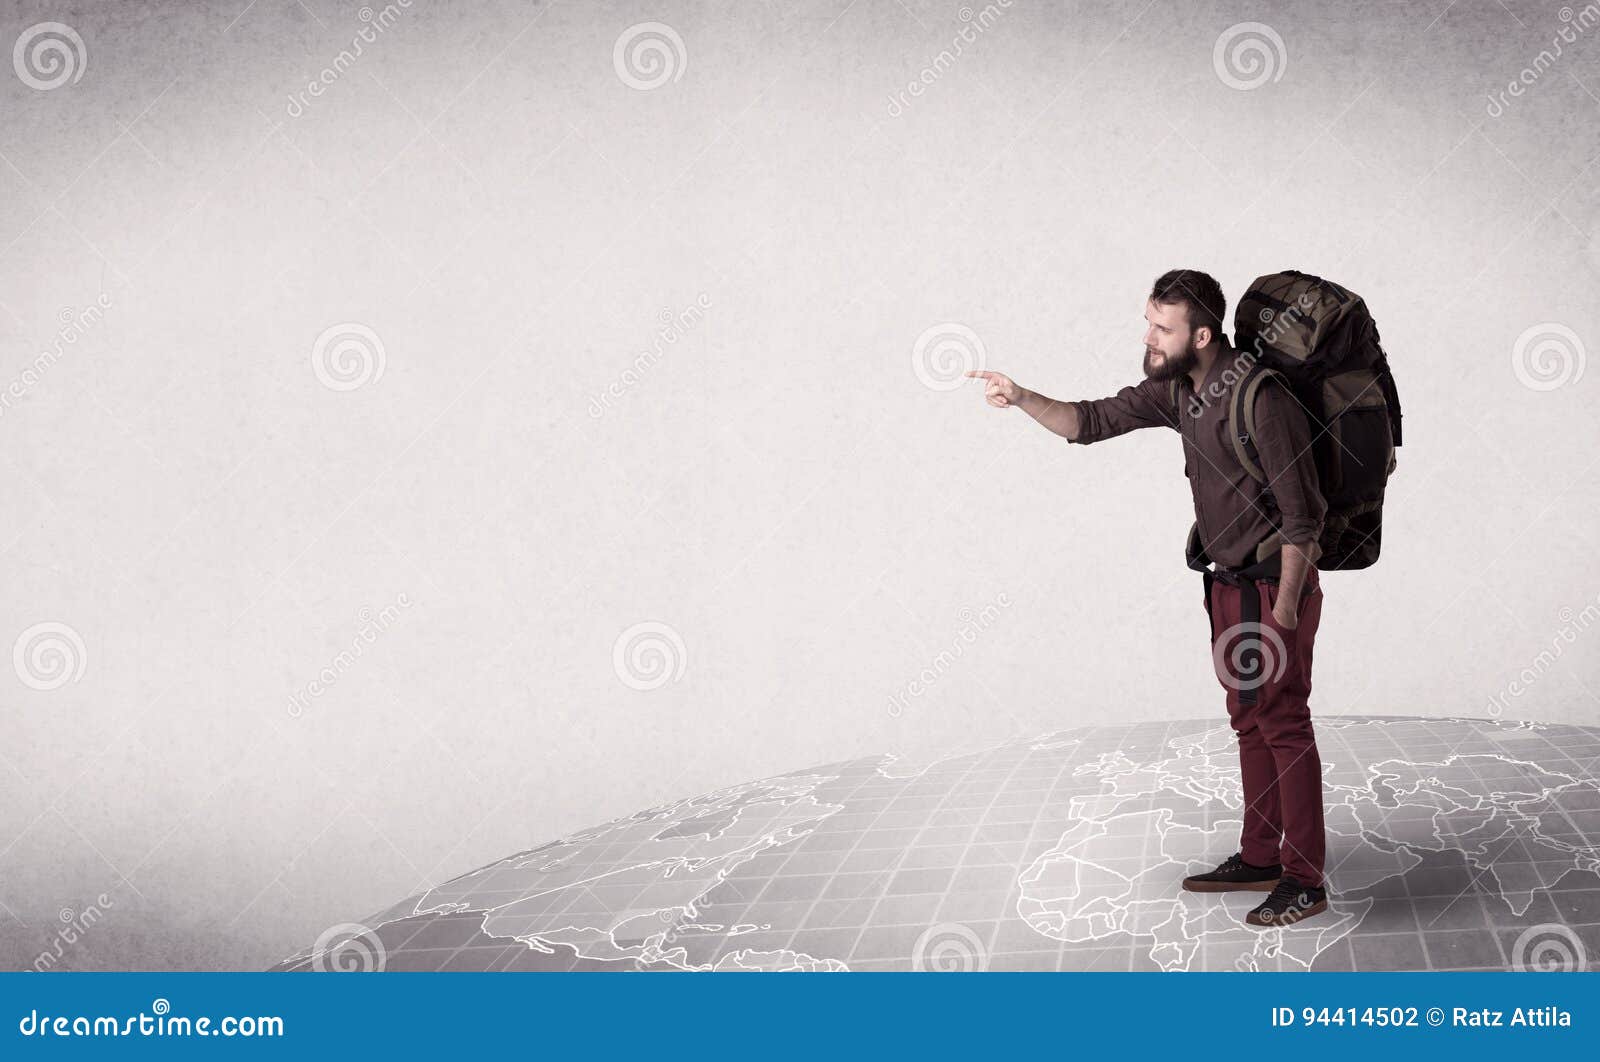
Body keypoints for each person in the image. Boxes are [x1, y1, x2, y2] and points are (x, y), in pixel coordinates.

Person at [966, 269, 1331, 927]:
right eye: (1148, 322)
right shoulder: (1177, 391)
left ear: (1201, 334)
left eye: (1161, 327)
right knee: (1249, 721)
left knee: (1283, 722)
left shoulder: (1262, 400)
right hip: (1225, 585)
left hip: (1277, 587)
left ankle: (1305, 880)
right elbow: (1092, 420)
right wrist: (1020, 396)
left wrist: (1284, 612)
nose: (1149, 336)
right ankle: (1261, 856)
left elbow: (1305, 514)